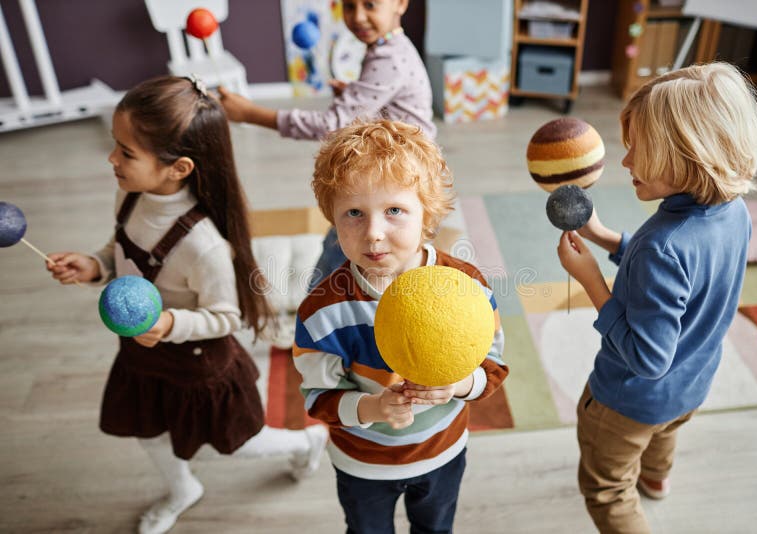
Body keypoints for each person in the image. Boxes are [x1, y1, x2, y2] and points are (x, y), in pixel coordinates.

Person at [46, 76, 328, 534]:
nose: (111, 158)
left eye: (126, 152)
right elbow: (124, 250)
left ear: (178, 168)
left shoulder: (204, 247)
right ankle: (183, 489)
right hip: (142, 353)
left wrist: (168, 322)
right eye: (116, 145)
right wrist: (95, 266)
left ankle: (306, 441)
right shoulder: (131, 193)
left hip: (198, 363)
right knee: (148, 429)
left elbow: (225, 318)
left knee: (236, 442)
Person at [556, 62, 757, 533]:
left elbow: (647, 359)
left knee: (607, 490)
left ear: (692, 158)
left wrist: (591, 281)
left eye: (639, 151)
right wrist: (608, 238)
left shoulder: (663, 245)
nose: (627, 162)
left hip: (627, 401)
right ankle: (655, 480)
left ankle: (637, 495)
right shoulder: (733, 212)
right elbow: (681, 279)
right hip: (691, 383)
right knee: (662, 434)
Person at [292, 120, 509, 533]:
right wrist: (371, 407)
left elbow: (494, 365)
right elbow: (317, 397)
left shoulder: (466, 287)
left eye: (394, 211)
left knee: (435, 528)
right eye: (354, 213)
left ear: (427, 215)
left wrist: (460, 384)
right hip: (364, 463)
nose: (373, 234)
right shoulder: (323, 311)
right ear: (332, 220)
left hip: (442, 452)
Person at [220, 0, 436, 289]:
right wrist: (356, 94)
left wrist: (250, 114)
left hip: (393, 178)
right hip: (404, 171)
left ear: (400, 4)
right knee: (387, 257)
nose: (358, 17)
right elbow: (393, 103)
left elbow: (330, 124)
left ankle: (315, 309)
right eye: (349, 6)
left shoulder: (389, 58)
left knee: (340, 252)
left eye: (370, 5)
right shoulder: (389, 48)